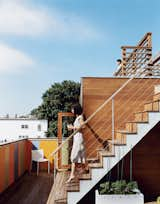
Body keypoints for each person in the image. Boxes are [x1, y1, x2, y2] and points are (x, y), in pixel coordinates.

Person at [66, 103, 86, 183]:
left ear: (76, 109)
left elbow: (83, 126)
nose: (71, 110)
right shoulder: (77, 117)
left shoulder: (80, 117)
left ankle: (72, 175)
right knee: (79, 156)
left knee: (74, 157)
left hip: (78, 139)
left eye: (72, 109)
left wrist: (72, 127)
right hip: (77, 139)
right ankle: (82, 170)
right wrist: (72, 128)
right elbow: (79, 127)